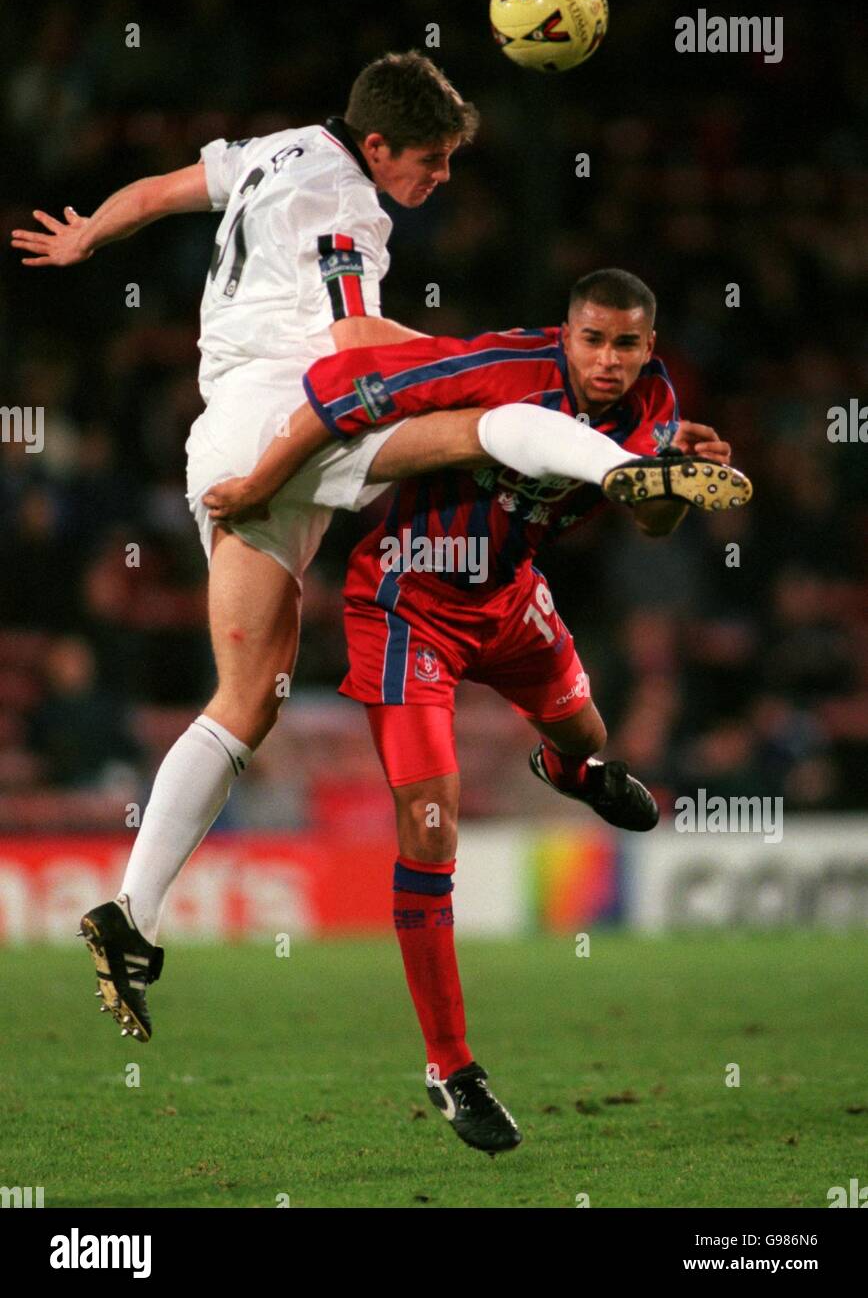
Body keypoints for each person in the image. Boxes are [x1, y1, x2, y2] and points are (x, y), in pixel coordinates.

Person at [208, 268, 750, 1153]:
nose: (608, 362)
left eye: (626, 344)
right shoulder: (499, 368)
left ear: (650, 347)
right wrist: (262, 481)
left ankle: (569, 768)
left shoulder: (653, 404)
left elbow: (648, 523)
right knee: (431, 826)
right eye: (593, 341)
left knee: (591, 736)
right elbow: (343, 392)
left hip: (506, 597)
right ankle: (452, 1068)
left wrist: (678, 488)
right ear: (564, 334)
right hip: (403, 605)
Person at [12, 50, 481, 1040]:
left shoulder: (277, 149)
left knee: (245, 698)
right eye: (431, 161)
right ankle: (598, 433)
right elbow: (358, 348)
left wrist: (90, 231)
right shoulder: (347, 205)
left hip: (222, 425)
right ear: (381, 144)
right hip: (289, 415)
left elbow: (159, 191)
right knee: (481, 426)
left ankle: (127, 916)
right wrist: (485, 358)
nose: (439, 180)